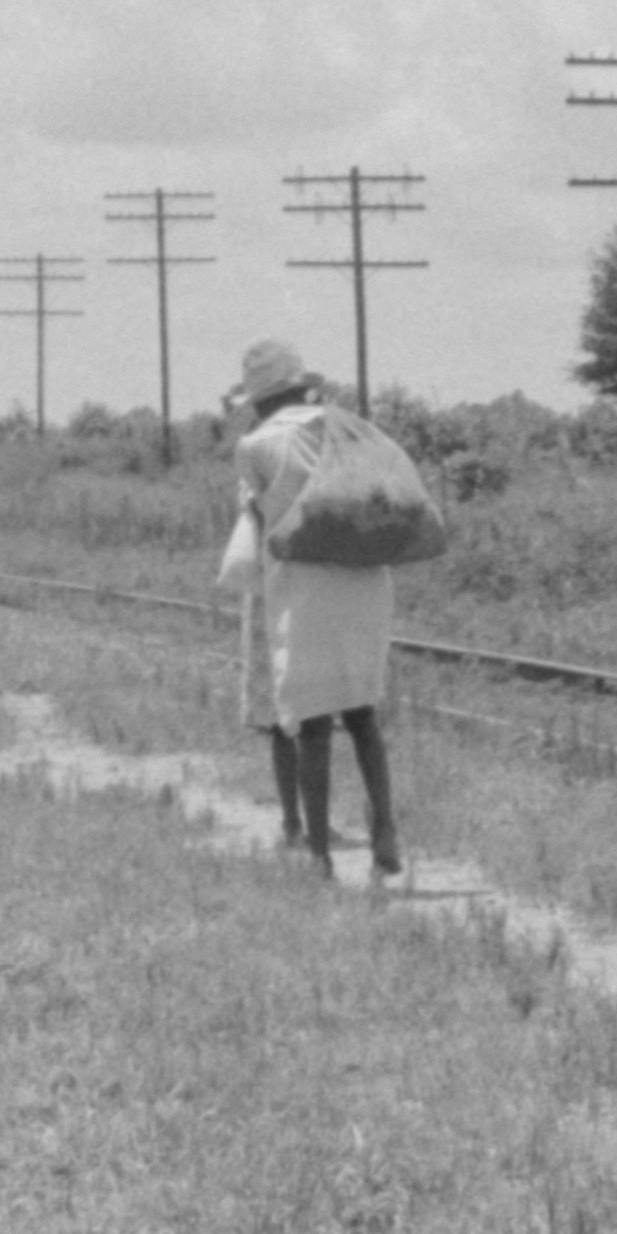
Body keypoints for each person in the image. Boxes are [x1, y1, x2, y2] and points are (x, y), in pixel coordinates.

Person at [230, 339, 401, 886]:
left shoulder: (256, 445)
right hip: (365, 582)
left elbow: (258, 516)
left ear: (260, 399)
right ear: (301, 388)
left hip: (303, 589)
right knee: (362, 714)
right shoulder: (350, 429)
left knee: (311, 723)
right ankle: (385, 834)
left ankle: (319, 855)